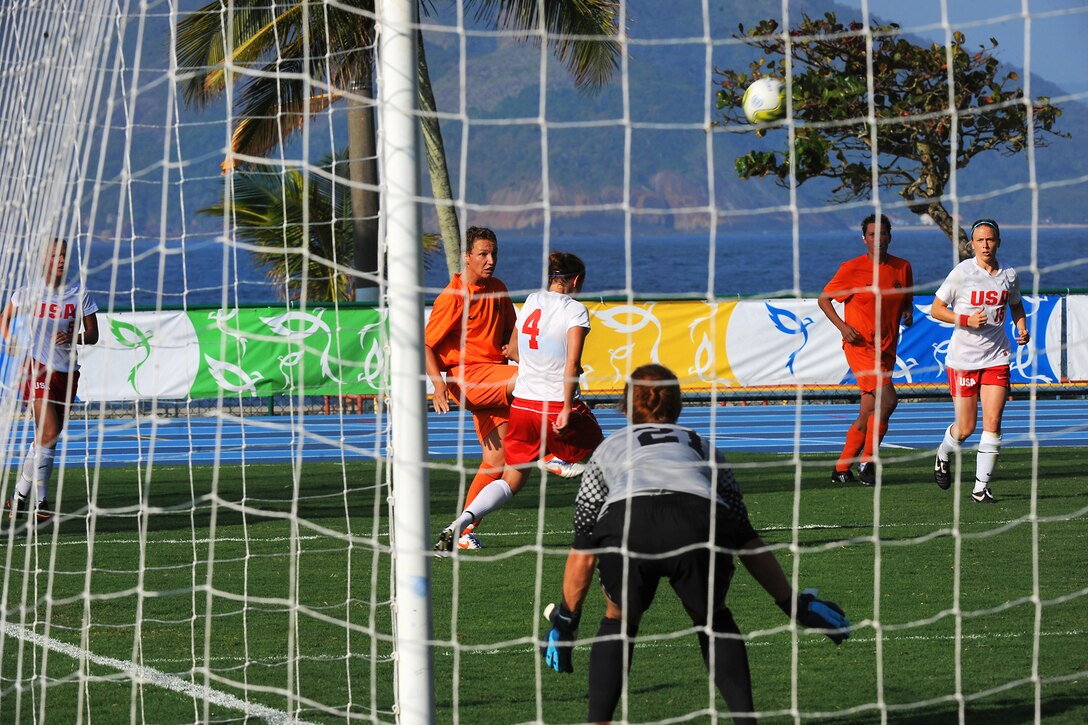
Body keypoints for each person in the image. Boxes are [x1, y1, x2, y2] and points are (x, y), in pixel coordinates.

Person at [540, 364, 849, 725]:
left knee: (619, 619)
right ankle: (744, 720)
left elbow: (584, 545)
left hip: (629, 521)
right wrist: (790, 602)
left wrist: (567, 617)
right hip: (698, 519)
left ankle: (599, 721)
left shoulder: (608, 449)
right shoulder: (703, 446)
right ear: (679, 405)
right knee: (713, 619)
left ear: (625, 406)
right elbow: (746, 537)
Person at [434, 252, 603, 553]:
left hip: (523, 405)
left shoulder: (532, 301)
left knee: (511, 477)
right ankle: (628, 524)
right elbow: (572, 362)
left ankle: (461, 523)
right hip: (554, 404)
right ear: (576, 281)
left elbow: (513, 349)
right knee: (608, 455)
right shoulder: (576, 310)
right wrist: (566, 407)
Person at [1, 237, 99, 527]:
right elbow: (4, 321)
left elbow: (93, 335)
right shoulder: (28, 293)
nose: (60, 260)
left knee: (46, 440)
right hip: (36, 370)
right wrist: (11, 342)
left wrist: (74, 338)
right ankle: (41, 503)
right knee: (51, 430)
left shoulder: (79, 293)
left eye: (64, 255)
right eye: (54, 255)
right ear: (44, 259)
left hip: (67, 374)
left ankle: (19, 496)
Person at [930, 219, 1029, 503]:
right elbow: (937, 309)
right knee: (965, 428)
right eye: (980, 240)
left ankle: (980, 488)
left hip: (997, 357)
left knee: (994, 421)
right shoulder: (962, 273)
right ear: (971, 244)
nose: (986, 245)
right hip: (963, 359)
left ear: (998, 242)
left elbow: (1015, 303)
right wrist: (966, 319)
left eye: (990, 239)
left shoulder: (1008, 274)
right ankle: (943, 453)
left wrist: (1020, 327)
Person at [818, 213, 913, 485]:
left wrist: (907, 311)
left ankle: (840, 469)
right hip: (860, 346)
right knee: (889, 400)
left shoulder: (902, 267)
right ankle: (868, 461)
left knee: (868, 411)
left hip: (886, 348)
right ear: (864, 239)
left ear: (889, 238)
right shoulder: (852, 268)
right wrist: (842, 327)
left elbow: (906, 298)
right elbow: (824, 299)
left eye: (882, 234)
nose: (877, 239)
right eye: (872, 235)